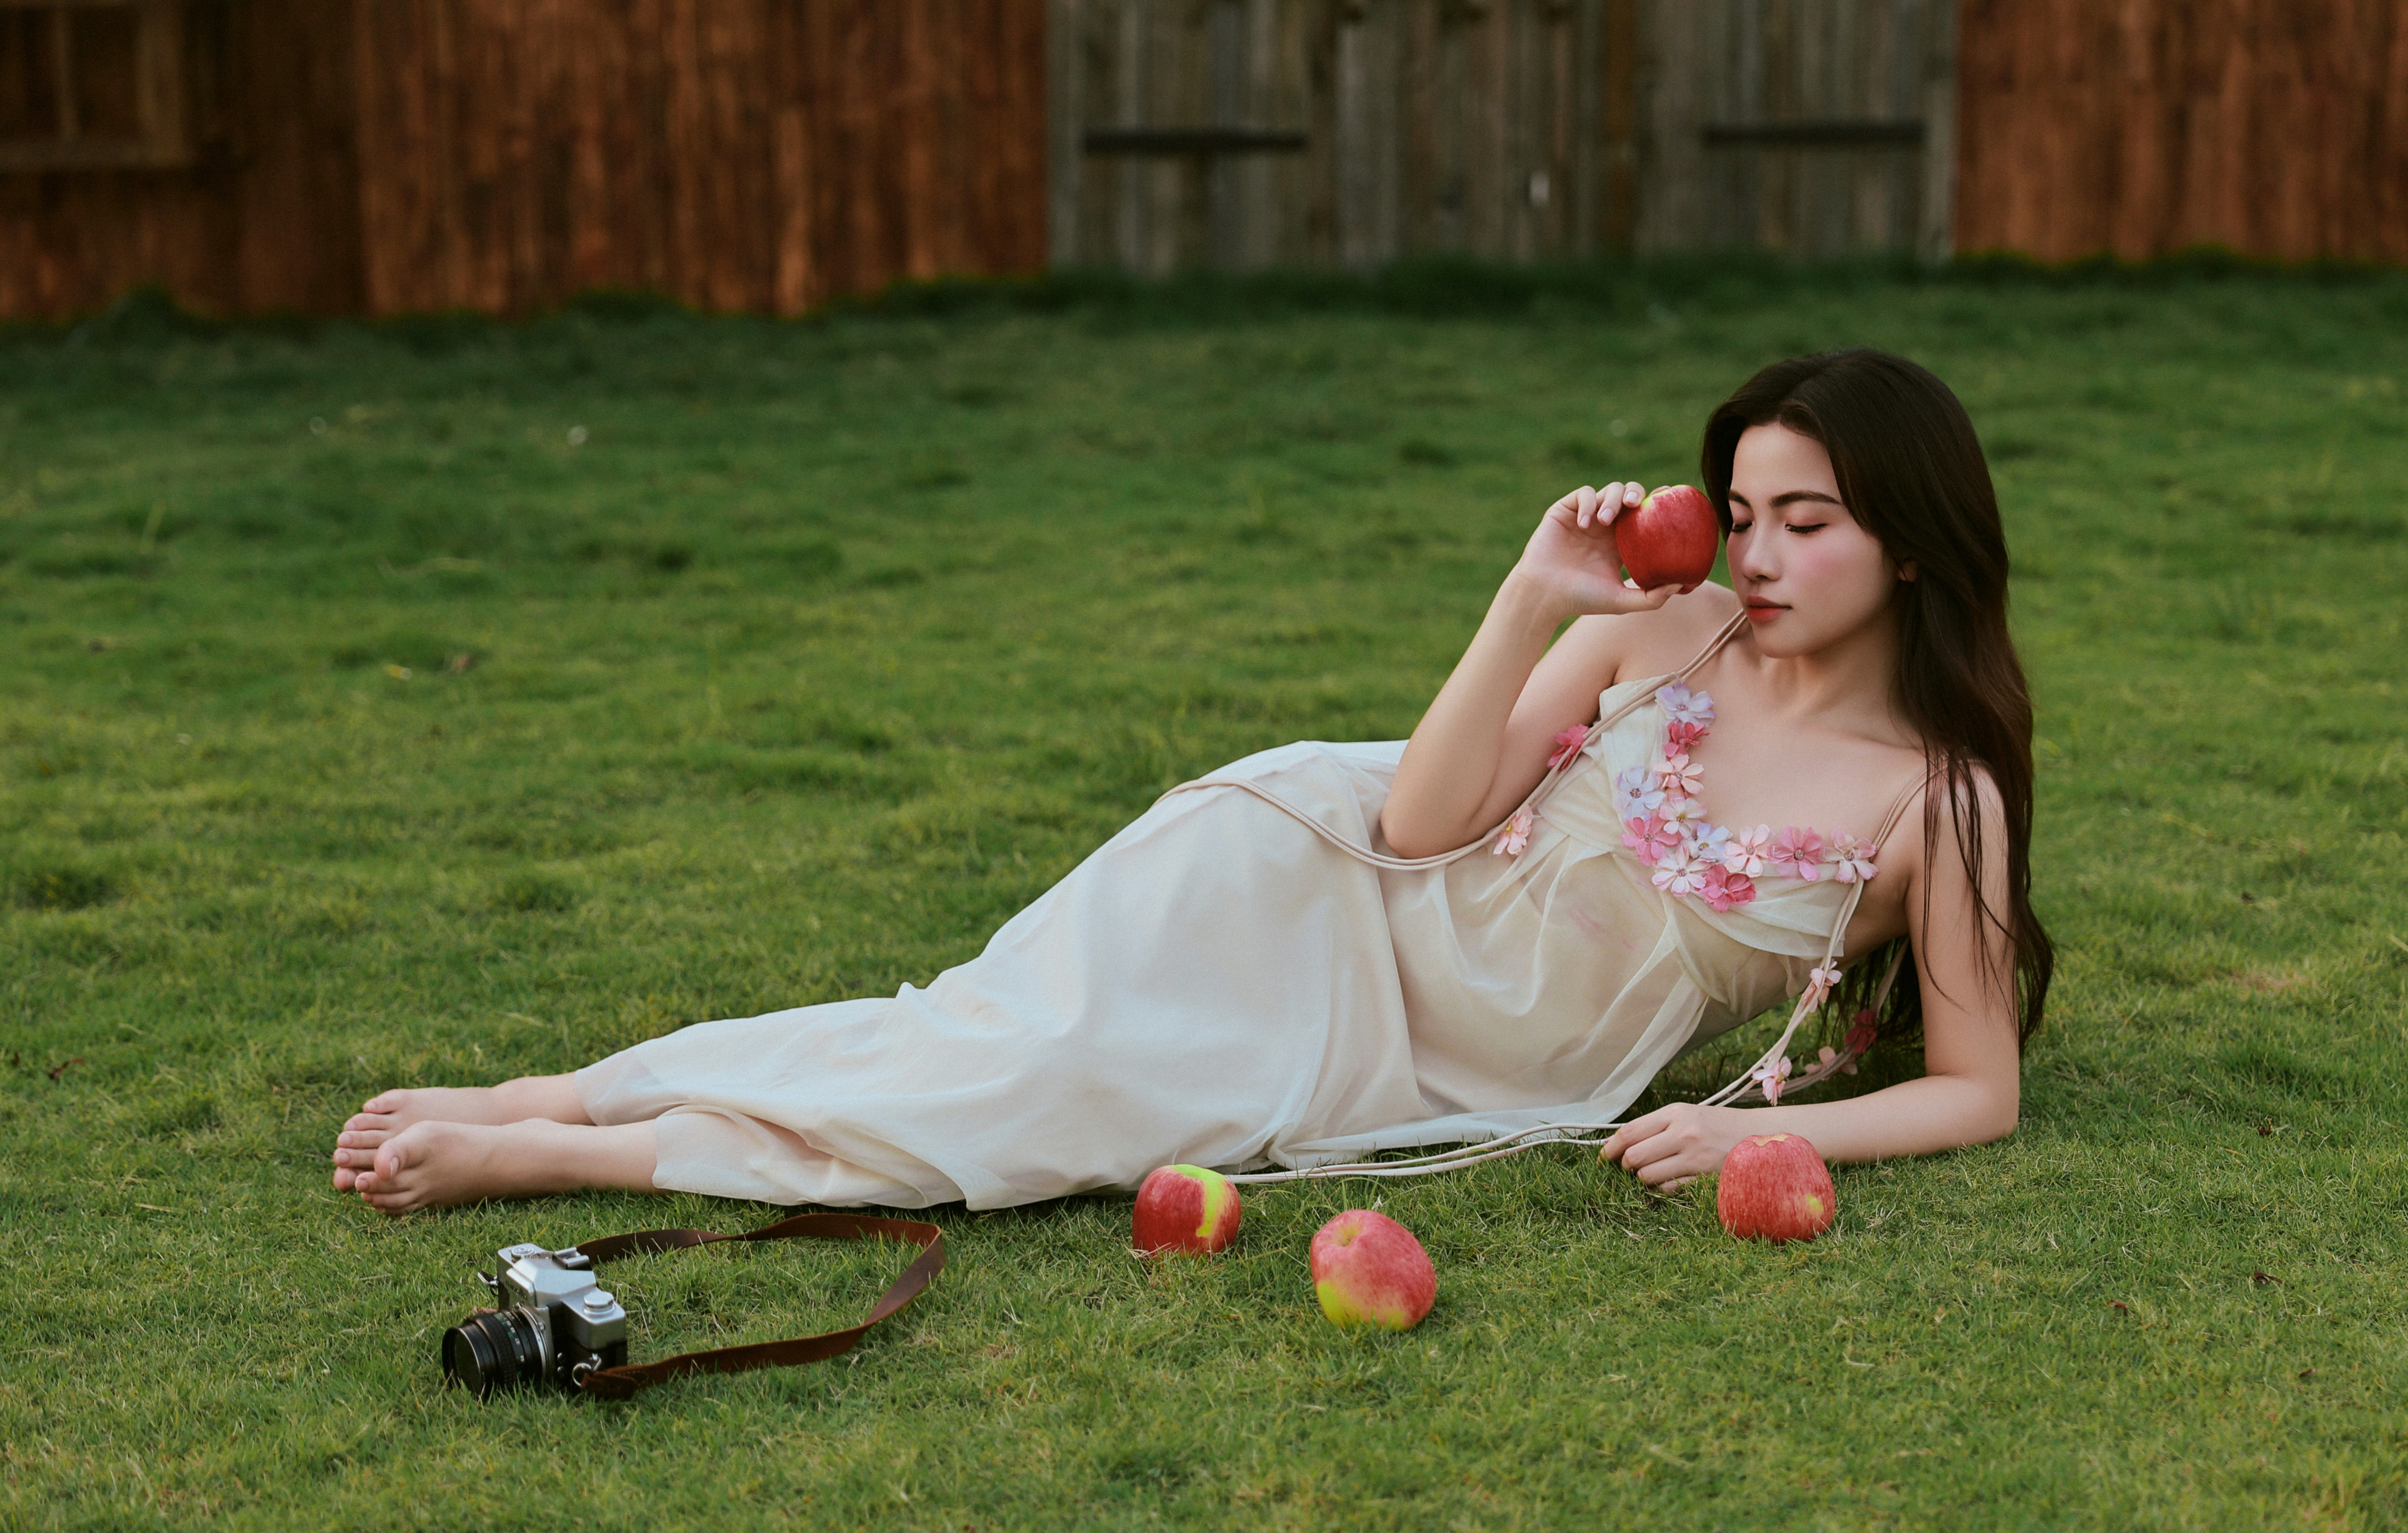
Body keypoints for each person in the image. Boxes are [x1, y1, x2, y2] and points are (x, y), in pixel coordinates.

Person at [332, 348, 2052, 1216]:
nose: (1757, 552)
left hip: (1429, 1053)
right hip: (1312, 887)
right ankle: (570, 1110)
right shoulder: (1658, 635)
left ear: (1912, 544)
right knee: (992, 1045)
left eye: (1806, 522)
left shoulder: (1936, 800)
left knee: (1023, 1092)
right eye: (1743, 513)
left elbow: (1978, 1089)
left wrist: (1767, 1128)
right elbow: (1416, 825)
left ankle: (584, 1135)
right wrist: (1538, 595)